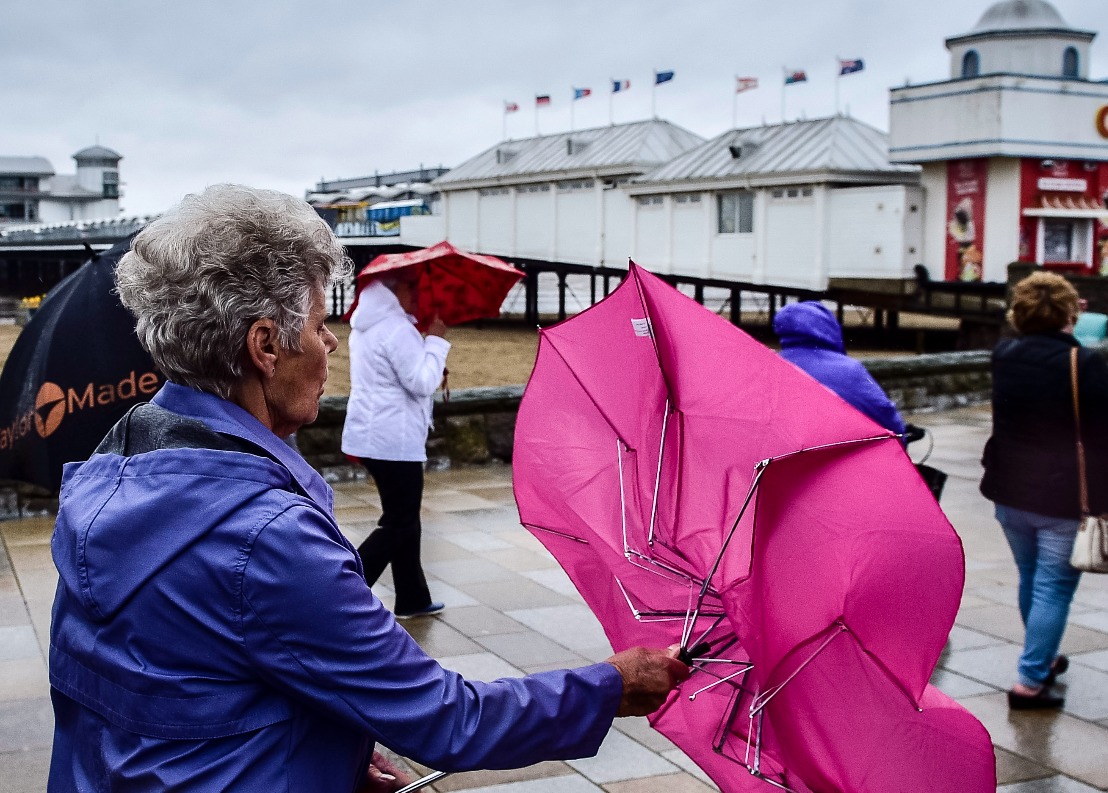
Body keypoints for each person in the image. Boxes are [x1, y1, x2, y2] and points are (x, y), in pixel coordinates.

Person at [48, 184, 688, 792]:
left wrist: (338, 758)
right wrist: (611, 686)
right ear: (265, 345)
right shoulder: (266, 538)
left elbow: (185, 688)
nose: (331, 343)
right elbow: (448, 718)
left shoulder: (106, 481)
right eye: (319, 325)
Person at [979, 271, 1108, 710]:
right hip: (1063, 496)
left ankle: (1043, 658)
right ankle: (1030, 681)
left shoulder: (1005, 354)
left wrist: (1060, 316)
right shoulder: (1084, 363)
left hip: (1010, 489)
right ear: (1070, 312)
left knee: (1032, 578)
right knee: (1052, 587)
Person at [341, 268, 449, 618]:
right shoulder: (397, 329)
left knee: (405, 518)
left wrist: (427, 349)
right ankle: (346, 592)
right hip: (394, 439)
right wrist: (436, 342)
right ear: (392, 290)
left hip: (374, 434)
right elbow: (421, 382)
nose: (417, 295)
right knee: (399, 521)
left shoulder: (367, 325)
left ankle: (412, 597)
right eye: (410, 288)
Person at [773, 300, 905, 438]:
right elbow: (884, 413)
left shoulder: (773, 366)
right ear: (830, 328)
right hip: (840, 446)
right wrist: (901, 438)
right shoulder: (850, 370)